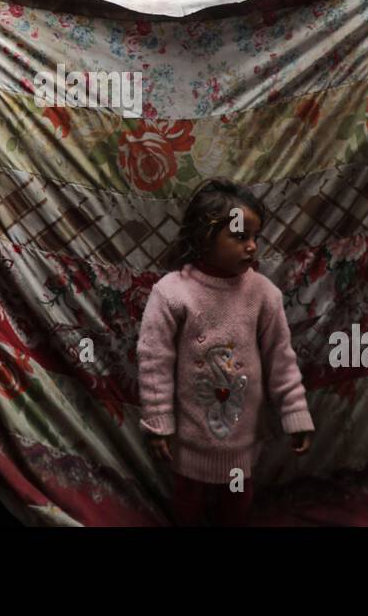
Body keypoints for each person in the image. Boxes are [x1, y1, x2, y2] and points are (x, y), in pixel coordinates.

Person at [137, 178, 315, 526]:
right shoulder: (172, 293)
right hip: (189, 446)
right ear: (205, 237)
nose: (251, 247)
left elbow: (281, 359)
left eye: (255, 237)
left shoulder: (264, 295)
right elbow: (153, 359)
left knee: (234, 510)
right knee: (188, 512)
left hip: (242, 446)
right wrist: (158, 422)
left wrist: (295, 414)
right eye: (239, 236)